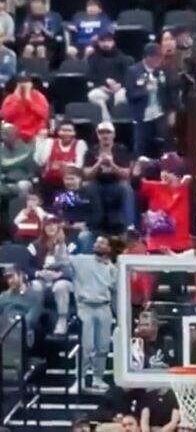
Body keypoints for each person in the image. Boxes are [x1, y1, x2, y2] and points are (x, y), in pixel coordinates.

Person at [66, 235, 117, 392]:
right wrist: (60, 242)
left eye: (102, 242)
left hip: (104, 307)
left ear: (109, 248)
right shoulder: (82, 260)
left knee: (103, 346)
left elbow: (116, 292)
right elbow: (62, 259)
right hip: (85, 307)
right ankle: (80, 379)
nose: (98, 244)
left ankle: (98, 378)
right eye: (97, 242)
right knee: (86, 346)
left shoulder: (113, 269)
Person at [124, 43, 176, 159]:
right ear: (148, 57)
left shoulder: (162, 70)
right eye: (157, 57)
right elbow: (130, 94)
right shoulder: (134, 71)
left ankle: (165, 164)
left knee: (165, 143)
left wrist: (172, 111)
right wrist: (145, 91)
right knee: (141, 146)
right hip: (142, 115)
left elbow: (170, 91)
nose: (159, 61)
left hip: (160, 113)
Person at [83, 122, 135, 234]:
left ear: (113, 134)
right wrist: (98, 163)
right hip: (98, 184)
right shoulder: (91, 151)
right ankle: (95, 224)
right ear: (98, 135)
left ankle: (129, 225)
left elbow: (126, 174)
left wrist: (112, 164)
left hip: (116, 185)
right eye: (102, 133)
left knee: (126, 188)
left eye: (108, 132)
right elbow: (86, 175)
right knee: (89, 187)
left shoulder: (121, 150)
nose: (105, 136)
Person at [135, 153, 192, 253]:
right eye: (163, 170)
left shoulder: (188, 190)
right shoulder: (155, 187)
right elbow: (135, 183)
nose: (165, 174)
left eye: (169, 171)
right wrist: (138, 169)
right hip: (156, 247)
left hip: (180, 248)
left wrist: (186, 183)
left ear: (179, 175)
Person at [34, 121, 88, 204]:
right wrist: (41, 141)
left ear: (74, 133)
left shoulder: (80, 144)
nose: (66, 133)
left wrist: (64, 165)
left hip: (69, 182)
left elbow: (79, 165)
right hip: (50, 181)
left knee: (72, 182)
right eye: (63, 130)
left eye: (69, 130)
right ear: (58, 132)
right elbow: (40, 162)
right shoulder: (50, 142)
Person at [87, 30, 134, 122]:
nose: (106, 44)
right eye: (103, 41)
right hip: (102, 89)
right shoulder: (93, 58)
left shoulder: (122, 57)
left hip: (120, 88)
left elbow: (128, 75)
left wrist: (119, 85)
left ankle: (117, 120)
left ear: (113, 42)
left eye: (109, 41)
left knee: (121, 97)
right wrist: (101, 85)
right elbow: (91, 76)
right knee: (93, 95)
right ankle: (106, 122)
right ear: (98, 42)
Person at [54, 166, 101, 254]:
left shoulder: (90, 193)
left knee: (84, 236)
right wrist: (65, 223)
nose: (69, 182)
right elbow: (58, 214)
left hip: (87, 228)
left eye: (72, 179)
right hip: (68, 229)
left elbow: (97, 214)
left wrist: (85, 224)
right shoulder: (62, 195)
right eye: (66, 179)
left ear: (79, 179)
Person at [0, 72, 49, 142]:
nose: (24, 85)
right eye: (21, 83)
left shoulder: (39, 97)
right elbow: (7, 117)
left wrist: (28, 99)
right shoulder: (11, 98)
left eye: (26, 83)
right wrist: (16, 98)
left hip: (35, 132)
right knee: (7, 129)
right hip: (16, 134)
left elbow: (44, 114)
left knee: (43, 131)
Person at [0, 266, 42, 333]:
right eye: (7, 279)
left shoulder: (35, 296)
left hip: (22, 331)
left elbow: (30, 320)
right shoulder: (3, 296)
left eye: (12, 277)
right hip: (4, 331)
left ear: (20, 276)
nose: (10, 281)